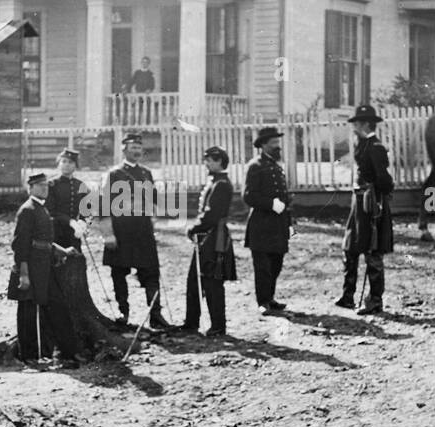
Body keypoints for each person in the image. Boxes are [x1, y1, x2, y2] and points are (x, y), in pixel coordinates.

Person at [8, 171, 81, 366]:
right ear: (30, 188)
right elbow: (20, 245)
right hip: (29, 268)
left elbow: (45, 241)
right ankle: (28, 356)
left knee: (57, 307)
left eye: (46, 186)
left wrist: (62, 251)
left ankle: (65, 352)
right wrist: (23, 275)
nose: (44, 189)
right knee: (27, 313)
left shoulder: (42, 209)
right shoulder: (27, 210)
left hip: (44, 268)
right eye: (40, 186)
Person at [102, 130, 169, 329]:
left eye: (139, 148)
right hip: (121, 229)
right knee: (119, 271)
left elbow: (156, 199)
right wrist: (108, 233)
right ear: (124, 150)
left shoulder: (146, 173)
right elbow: (104, 204)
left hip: (142, 229)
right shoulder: (114, 174)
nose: (137, 151)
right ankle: (123, 312)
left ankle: (155, 315)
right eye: (133, 148)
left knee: (151, 271)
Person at [336, 103, 394, 316]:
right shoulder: (362, 144)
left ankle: (374, 301)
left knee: (373, 250)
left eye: (356, 124)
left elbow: (384, 179)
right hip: (358, 201)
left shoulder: (376, 147)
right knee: (350, 247)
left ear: (364, 124)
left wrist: (376, 199)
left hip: (371, 203)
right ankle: (347, 295)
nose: (353, 127)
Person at [181, 146, 237, 337]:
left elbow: (211, 215)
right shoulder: (215, 182)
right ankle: (191, 323)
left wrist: (193, 227)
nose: (206, 163)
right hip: (208, 237)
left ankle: (218, 327)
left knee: (213, 282)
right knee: (194, 280)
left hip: (215, 238)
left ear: (220, 161)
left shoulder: (221, 185)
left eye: (210, 160)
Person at [243, 124, 293, 316]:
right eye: (273, 143)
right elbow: (249, 196)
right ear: (263, 145)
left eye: (278, 142)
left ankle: (270, 297)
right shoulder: (255, 166)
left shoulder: (276, 166)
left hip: (278, 224)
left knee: (276, 263)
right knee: (262, 266)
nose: (277, 146)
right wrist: (271, 203)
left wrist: (288, 221)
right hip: (262, 224)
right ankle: (263, 301)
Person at [45, 148, 91, 251]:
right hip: (56, 231)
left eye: (70, 162)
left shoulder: (80, 185)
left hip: (73, 232)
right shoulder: (52, 184)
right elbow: (51, 211)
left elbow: (87, 208)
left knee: (76, 261)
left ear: (76, 165)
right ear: (59, 164)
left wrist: (83, 222)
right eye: (63, 161)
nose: (66, 164)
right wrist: (71, 222)